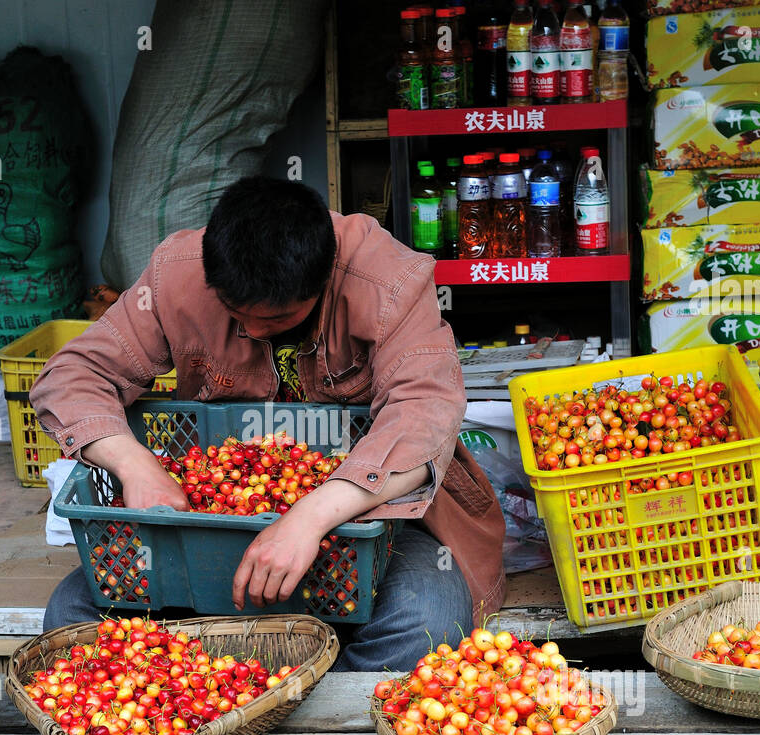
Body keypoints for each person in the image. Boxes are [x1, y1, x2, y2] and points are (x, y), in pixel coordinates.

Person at [30, 177, 506, 670]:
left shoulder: (388, 281)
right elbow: (71, 375)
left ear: (321, 283)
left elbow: (425, 414)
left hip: (372, 520)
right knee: (73, 616)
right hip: (205, 532)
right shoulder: (178, 273)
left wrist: (308, 518)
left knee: (427, 618)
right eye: (237, 315)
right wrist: (135, 464)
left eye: (276, 319)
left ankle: (289, 701)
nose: (254, 331)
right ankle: (230, 694)